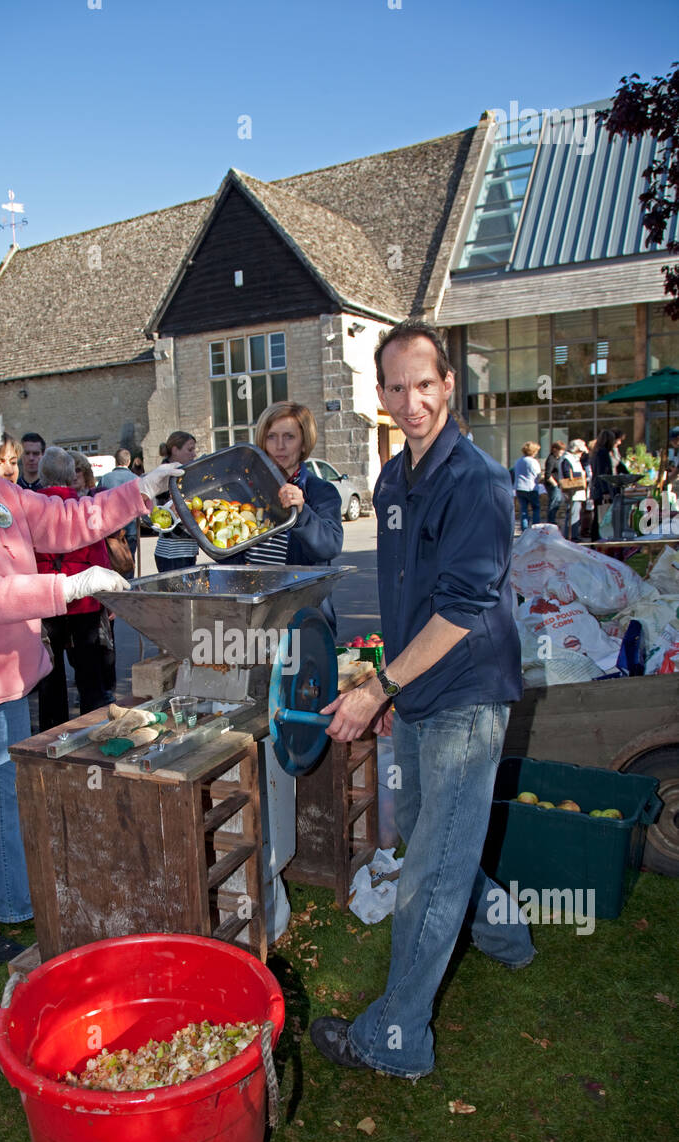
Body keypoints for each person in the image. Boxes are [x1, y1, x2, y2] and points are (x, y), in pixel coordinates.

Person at [0, 380, 181, 965]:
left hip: (7, 677)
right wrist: (68, 586)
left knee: (8, 794)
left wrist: (138, 493)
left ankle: (18, 903)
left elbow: (68, 520)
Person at [309, 320, 533, 1079]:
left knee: (429, 866)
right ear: (380, 395)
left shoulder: (478, 483)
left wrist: (379, 688)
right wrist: (389, 681)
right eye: (397, 387)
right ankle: (511, 939)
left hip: (467, 695)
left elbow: (462, 609)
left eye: (425, 384)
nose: (412, 401)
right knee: (444, 845)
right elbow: (404, 597)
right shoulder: (391, 478)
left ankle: (394, 1041)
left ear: (449, 386)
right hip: (415, 688)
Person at [215, 401, 344, 636]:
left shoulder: (320, 492)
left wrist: (303, 513)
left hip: (302, 621)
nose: (280, 446)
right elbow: (226, 557)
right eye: (272, 437)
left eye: (289, 437)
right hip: (251, 620)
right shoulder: (244, 491)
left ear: (304, 443)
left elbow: (329, 546)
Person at [34, 448, 116, 728]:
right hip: (85, 600)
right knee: (89, 673)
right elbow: (99, 558)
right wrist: (108, 601)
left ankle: (53, 733)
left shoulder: (29, 509)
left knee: (50, 674)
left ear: (42, 475)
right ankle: (93, 728)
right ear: (72, 475)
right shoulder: (83, 509)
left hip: (46, 596)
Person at [154, 432, 200, 573]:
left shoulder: (180, 473)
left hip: (184, 550)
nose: (194, 455)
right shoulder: (164, 476)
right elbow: (165, 512)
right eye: (189, 450)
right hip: (173, 552)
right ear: (175, 450)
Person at [98, 448, 139, 560]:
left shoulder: (105, 478)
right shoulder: (136, 479)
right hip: (130, 528)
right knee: (129, 562)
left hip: (111, 527)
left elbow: (97, 501)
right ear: (129, 461)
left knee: (113, 562)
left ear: (116, 461)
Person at [560, 440, 588, 542]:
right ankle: (571, 536)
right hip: (573, 492)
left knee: (574, 514)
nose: (581, 454)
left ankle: (573, 535)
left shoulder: (572, 459)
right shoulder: (567, 459)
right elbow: (567, 474)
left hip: (576, 493)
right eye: (580, 452)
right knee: (572, 514)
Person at [511, 442, 541, 530]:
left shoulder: (518, 461)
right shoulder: (533, 462)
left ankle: (524, 529)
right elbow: (537, 474)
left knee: (523, 510)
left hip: (519, 487)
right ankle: (535, 527)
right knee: (535, 508)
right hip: (531, 487)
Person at [543, 442, 564, 526]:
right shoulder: (551, 459)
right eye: (560, 450)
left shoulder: (558, 459)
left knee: (557, 502)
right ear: (555, 450)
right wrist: (555, 485)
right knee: (554, 502)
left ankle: (552, 520)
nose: (562, 452)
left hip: (557, 484)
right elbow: (547, 474)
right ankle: (551, 521)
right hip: (553, 484)